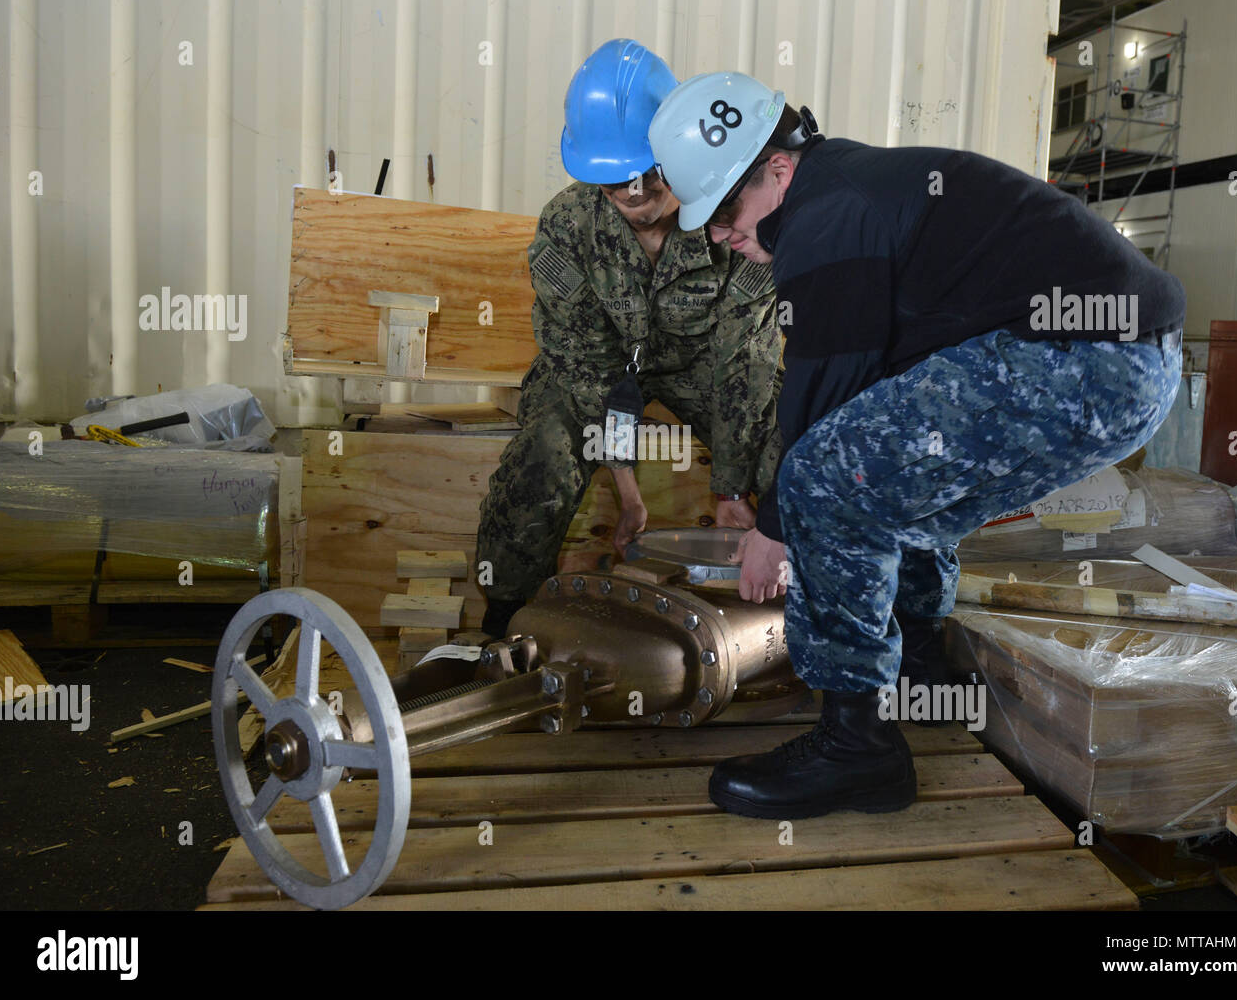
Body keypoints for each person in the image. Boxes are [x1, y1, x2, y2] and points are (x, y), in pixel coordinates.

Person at [648, 72, 1184, 819]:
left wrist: (774, 529)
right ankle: (920, 679)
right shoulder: (850, 191)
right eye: (706, 220)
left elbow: (818, 413)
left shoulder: (826, 218)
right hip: (1129, 366)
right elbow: (868, 403)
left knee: (826, 480)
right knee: (894, 468)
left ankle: (856, 750)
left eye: (726, 209)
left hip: (1083, 358)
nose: (718, 233)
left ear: (778, 168)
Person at [477, 44, 783, 638]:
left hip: (704, 364)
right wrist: (625, 485)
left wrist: (730, 486)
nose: (637, 193)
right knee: (542, 452)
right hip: (603, 369)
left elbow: (744, 361)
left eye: (650, 174)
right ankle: (503, 618)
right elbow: (588, 370)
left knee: (793, 438)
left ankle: (803, 616)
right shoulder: (566, 228)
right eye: (617, 183)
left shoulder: (735, 217)